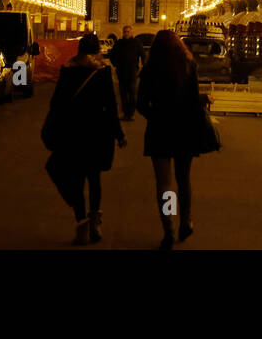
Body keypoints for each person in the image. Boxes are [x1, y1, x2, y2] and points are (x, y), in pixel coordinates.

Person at [44, 33, 126, 245]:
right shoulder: (102, 73)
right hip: (98, 134)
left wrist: (54, 126)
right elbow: (111, 107)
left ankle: (81, 223)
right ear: (97, 50)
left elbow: (57, 103)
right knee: (94, 179)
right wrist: (119, 134)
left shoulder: (68, 71)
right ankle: (95, 224)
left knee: (76, 178)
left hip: (73, 134)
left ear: (78, 50)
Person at [137, 29, 207, 249]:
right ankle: (186, 221)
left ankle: (169, 229)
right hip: (184, 129)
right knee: (184, 180)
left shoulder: (150, 69)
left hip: (160, 130)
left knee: (165, 184)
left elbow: (141, 103)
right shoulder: (189, 65)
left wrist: (155, 116)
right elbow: (194, 100)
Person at [110, 25, 144, 121]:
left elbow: (143, 55)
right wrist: (115, 65)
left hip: (132, 71)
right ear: (123, 33)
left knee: (132, 93)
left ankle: (131, 113)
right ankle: (125, 113)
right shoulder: (119, 43)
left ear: (132, 32)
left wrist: (142, 67)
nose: (126, 33)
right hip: (121, 71)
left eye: (128, 31)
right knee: (123, 94)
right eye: (125, 31)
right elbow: (112, 55)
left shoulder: (137, 43)